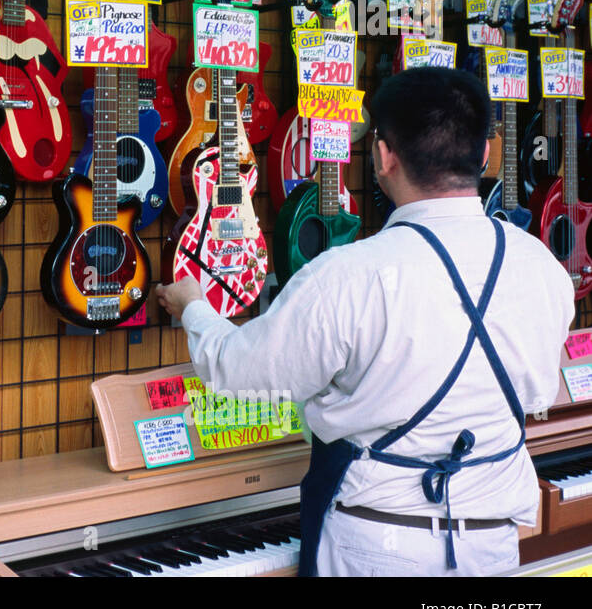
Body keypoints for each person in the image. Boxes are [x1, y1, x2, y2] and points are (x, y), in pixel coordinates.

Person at [155, 67, 573, 577]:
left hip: (378, 544)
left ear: (382, 155)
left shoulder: (348, 275)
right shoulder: (542, 268)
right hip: (493, 545)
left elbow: (240, 372)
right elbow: (539, 395)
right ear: (486, 155)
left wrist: (195, 305)